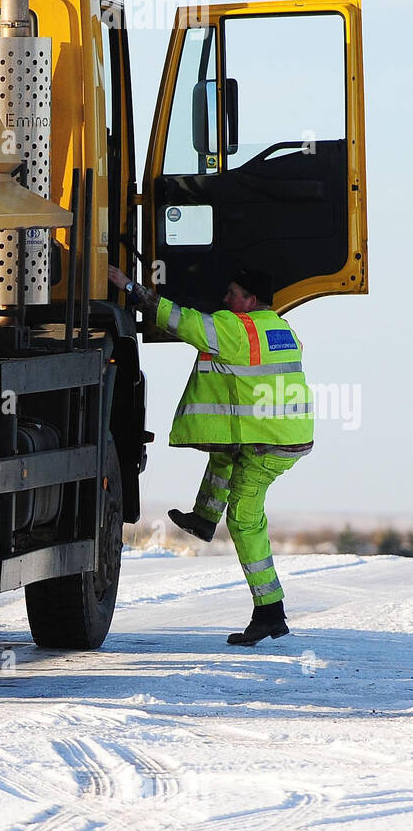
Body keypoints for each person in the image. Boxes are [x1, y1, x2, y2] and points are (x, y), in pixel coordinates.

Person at [107, 263, 312, 646]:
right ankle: (203, 518)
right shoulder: (281, 329)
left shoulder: (238, 329)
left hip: (268, 445)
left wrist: (131, 288)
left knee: (245, 521)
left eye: (232, 293)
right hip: (278, 434)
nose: (225, 299)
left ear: (250, 301)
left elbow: (180, 321)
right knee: (223, 455)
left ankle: (270, 611)